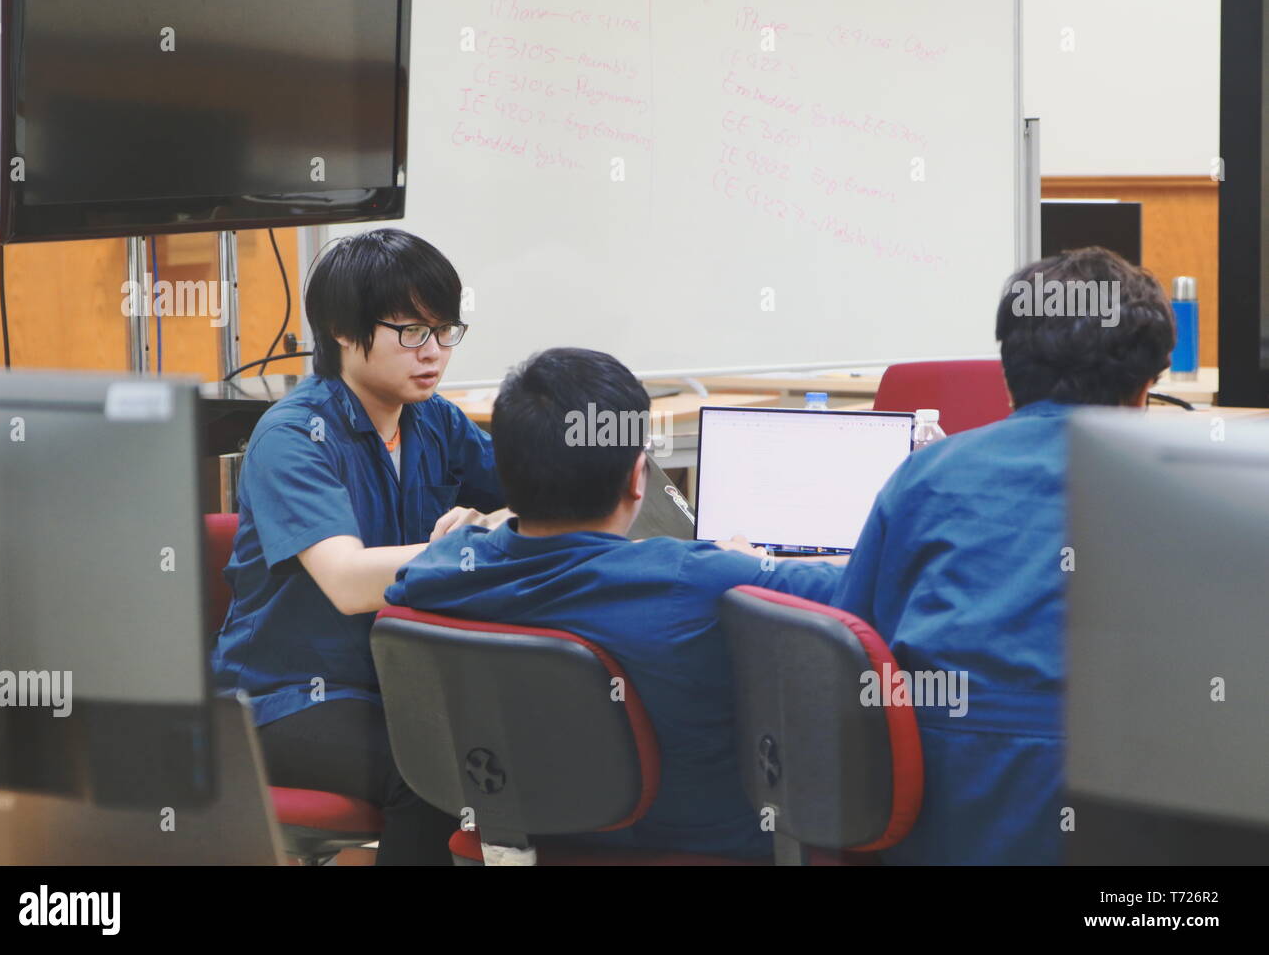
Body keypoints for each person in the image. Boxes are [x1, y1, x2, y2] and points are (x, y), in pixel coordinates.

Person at [384, 347, 846, 859]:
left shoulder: (442, 571)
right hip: (700, 850)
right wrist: (746, 561)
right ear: (637, 477)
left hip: (533, 845)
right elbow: (861, 587)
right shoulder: (698, 578)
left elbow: (431, 570)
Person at [836, 246, 1176, 864]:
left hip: (940, 828)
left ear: (1007, 373)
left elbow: (853, 644)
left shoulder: (926, 475)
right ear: (1143, 389)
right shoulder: (1190, 491)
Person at [212, 228, 507, 864]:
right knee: (432, 770)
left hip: (401, 685)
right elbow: (346, 581)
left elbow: (540, 497)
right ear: (345, 333)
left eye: (444, 330)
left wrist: (492, 520)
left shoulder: (434, 419)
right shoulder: (293, 437)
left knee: (514, 739)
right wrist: (474, 546)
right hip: (281, 698)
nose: (433, 353)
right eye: (411, 332)